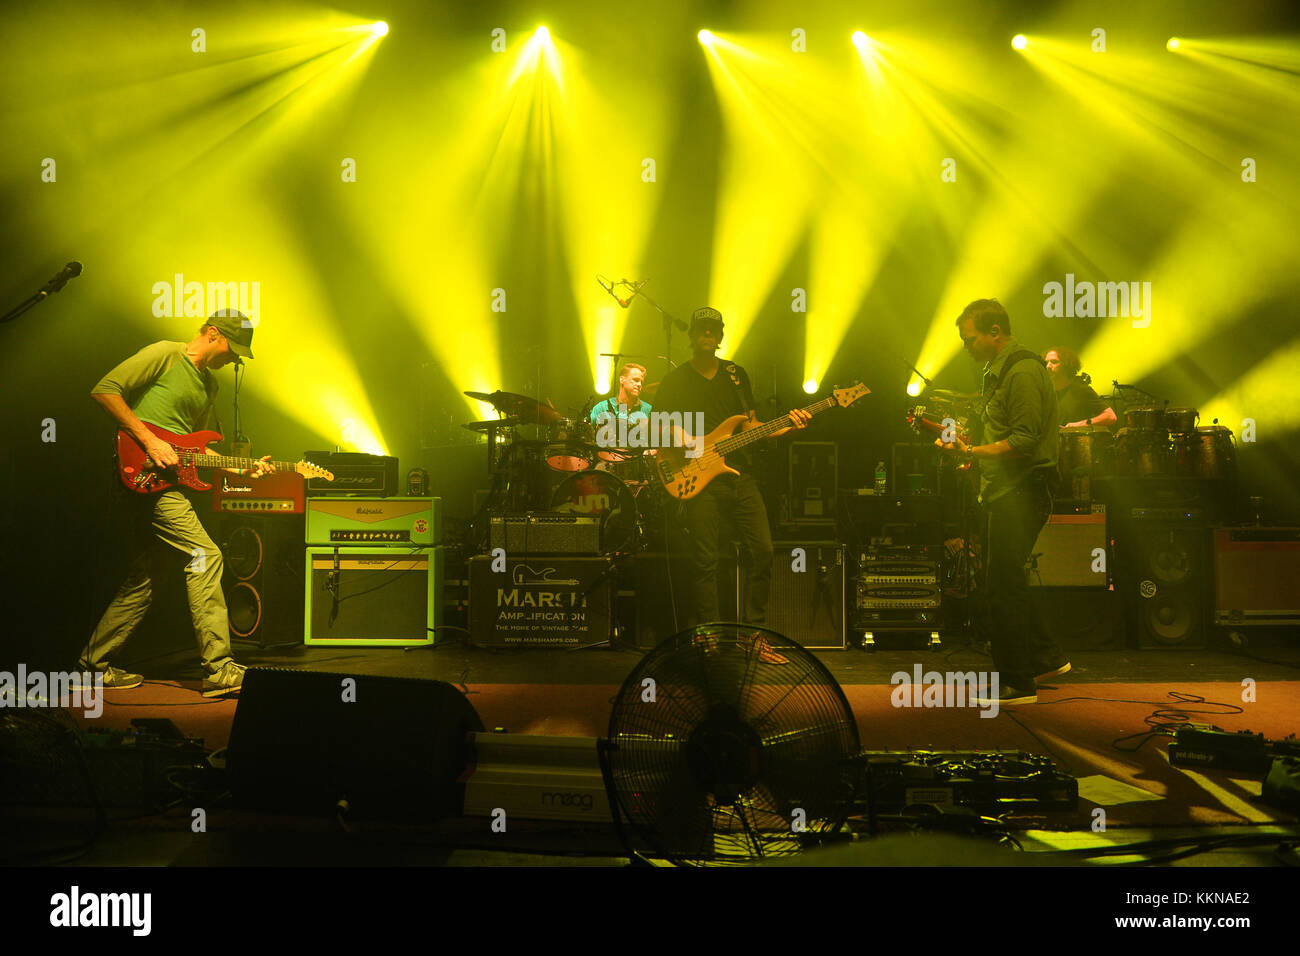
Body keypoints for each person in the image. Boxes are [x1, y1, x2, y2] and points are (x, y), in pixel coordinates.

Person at [80, 310, 273, 697]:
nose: (234, 360)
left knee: (147, 577)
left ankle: (93, 666)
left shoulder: (211, 387)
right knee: (206, 555)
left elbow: (192, 452)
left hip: (168, 482)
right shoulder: (166, 354)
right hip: (142, 470)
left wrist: (239, 471)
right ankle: (218, 668)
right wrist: (149, 441)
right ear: (213, 334)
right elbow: (104, 390)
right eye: (233, 350)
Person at [651, 307, 809, 662]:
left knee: (763, 551)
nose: (708, 335)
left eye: (714, 330)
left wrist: (785, 427)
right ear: (691, 336)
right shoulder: (676, 380)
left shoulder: (736, 375)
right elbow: (658, 424)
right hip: (696, 475)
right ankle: (707, 634)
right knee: (705, 560)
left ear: (721, 335)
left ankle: (753, 636)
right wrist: (689, 440)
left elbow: (751, 426)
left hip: (739, 475)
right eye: (702, 329)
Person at [936, 299, 1069, 705]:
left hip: (1022, 490)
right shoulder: (998, 372)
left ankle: (1017, 683)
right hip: (1008, 489)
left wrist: (973, 453)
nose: (966, 347)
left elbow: (1025, 441)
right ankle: (1046, 657)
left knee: (1003, 586)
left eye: (970, 338)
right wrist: (974, 454)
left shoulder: (1023, 371)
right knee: (1008, 580)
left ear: (996, 332)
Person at [1044, 347, 1117, 428]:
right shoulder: (1046, 391)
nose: (1048, 366)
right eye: (1046, 362)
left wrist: (1079, 424)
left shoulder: (1080, 389)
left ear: (1067, 365)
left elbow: (1110, 416)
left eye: (1054, 362)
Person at [590, 362, 652, 426]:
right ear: (622, 380)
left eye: (641, 382)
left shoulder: (648, 410)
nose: (639, 384)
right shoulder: (601, 408)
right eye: (636, 380)